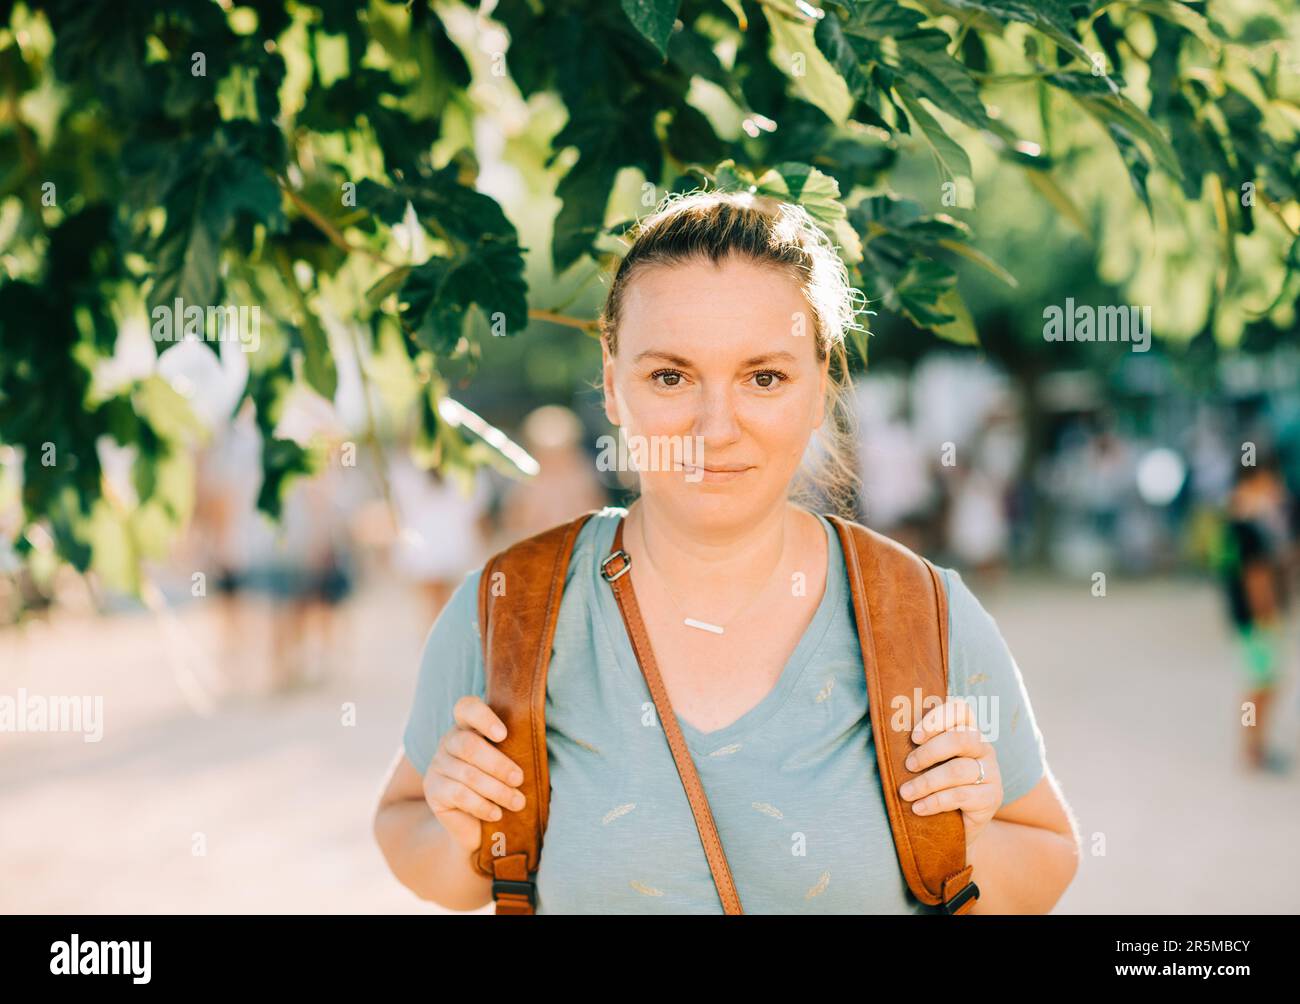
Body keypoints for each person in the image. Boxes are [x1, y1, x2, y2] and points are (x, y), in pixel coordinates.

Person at [373, 191, 1080, 913]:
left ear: (819, 389)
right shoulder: (510, 607)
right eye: (671, 376)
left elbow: (1048, 855)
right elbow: (408, 828)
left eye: (764, 377)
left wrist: (972, 837)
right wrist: (463, 834)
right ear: (614, 385)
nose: (715, 428)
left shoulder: (921, 613)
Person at [1217, 457, 1293, 773]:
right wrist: (1269, 614)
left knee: (1262, 681)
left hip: (1244, 616)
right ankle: (1254, 749)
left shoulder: (1234, 521)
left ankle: (1255, 747)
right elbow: (1256, 576)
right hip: (1256, 617)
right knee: (1262, 683)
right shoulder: (1248, 524)